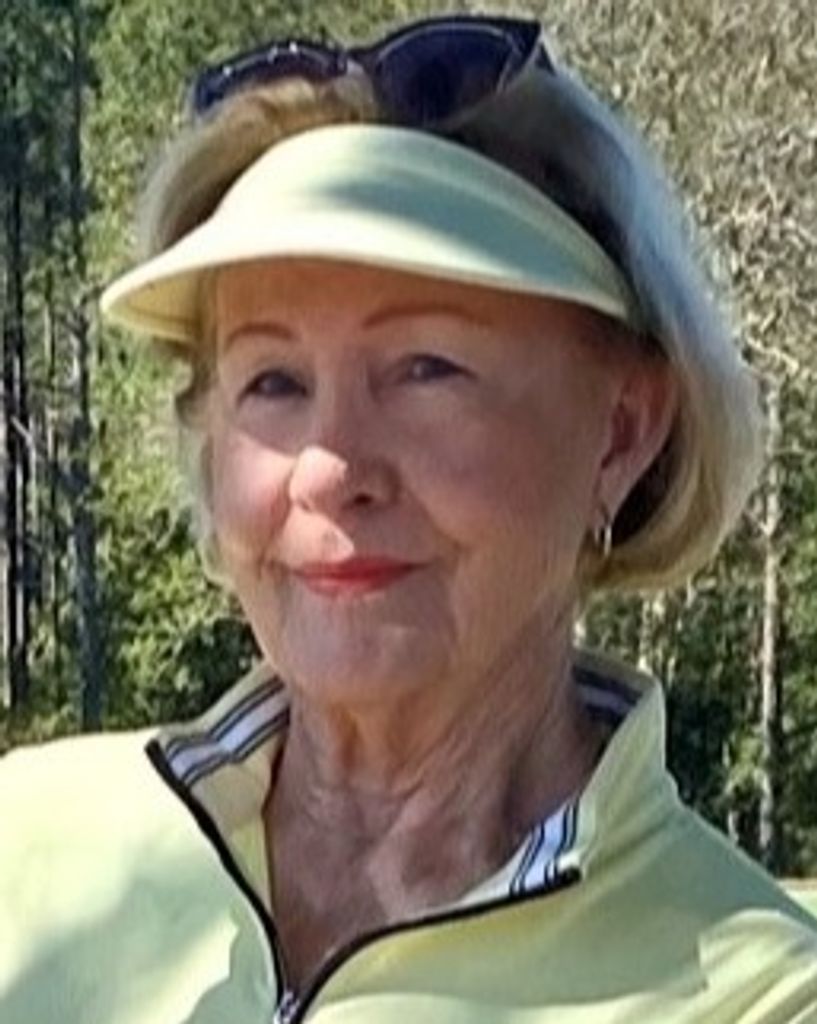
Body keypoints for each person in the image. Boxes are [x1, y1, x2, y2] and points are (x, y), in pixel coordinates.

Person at [1, 13, 815, 1024]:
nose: (330, 469)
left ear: (621, 431)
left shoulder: (758, 993)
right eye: (273, 381)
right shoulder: (27, 847)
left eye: (427, 368)